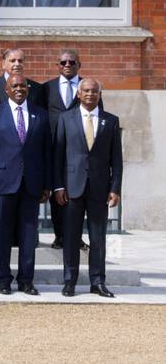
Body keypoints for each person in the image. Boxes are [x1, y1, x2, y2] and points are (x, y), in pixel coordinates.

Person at [0, 74, 51, 296]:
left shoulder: (41, 115)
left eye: (23, 85)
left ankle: (26, 280)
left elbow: (47, 152)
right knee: (3, 234)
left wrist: (47, 183)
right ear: (7, 90)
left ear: (28, 89)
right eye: (14, 86)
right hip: (2, 184)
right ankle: (3, 279)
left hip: (32, 183)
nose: (19, 89)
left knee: (29, 235)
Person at [53, 79, 122, 298]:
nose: (90, 94)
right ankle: (69, 281)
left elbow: (117, 160)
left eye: (94, 91)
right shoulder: (65, 119)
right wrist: (58, 186)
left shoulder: (110, 121)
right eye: (86, 91)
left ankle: (98, 282)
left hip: (100, 188)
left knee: (98, 238)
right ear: (78, 94)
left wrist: (115, 188)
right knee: (71, 237)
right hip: (72, 187)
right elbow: (58, 156)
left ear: (100, 95)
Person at [44, 49, 91, 251]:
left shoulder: (88, 88)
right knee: (58, 192)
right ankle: (60, 236)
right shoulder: (46, 88)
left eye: (72, 62)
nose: (67, 65)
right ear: (58, 65)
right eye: (63, 62)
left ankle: (76, 237)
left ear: (79, 65)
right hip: (53, 146)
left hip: (77, 148)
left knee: (77, 193)